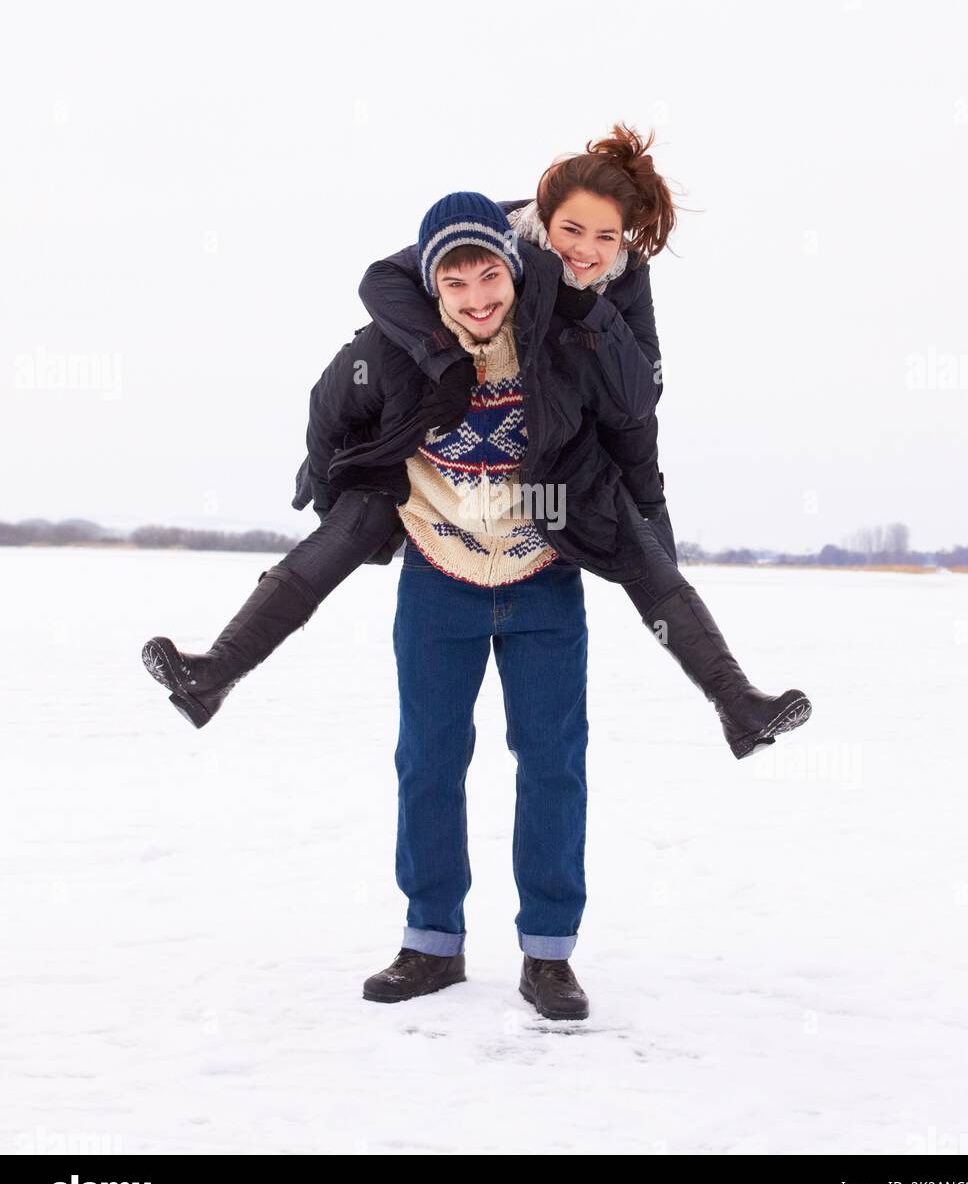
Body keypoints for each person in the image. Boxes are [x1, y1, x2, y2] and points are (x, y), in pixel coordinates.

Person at [142, 124, 810, 761]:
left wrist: (591, 318)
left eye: (605, 236)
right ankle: (215, 672)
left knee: (636, 552)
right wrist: (439, 361)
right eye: (570, 228)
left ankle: (736, 704)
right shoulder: (490, 239)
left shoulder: (622, 279)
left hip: (555, 459)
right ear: (539, 217)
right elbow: (376, 294)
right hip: (433, 459)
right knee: (352, 523)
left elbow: (636, 405)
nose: (584, 248)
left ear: (624, 239)